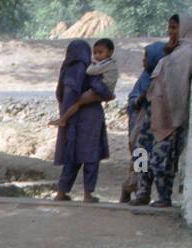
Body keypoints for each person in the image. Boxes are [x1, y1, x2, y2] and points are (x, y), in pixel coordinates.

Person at [49, 38, 115, 202]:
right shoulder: (88, 69)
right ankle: (88, 194)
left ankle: (62, 192)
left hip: (71, 118)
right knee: (90, 156)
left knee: (72, 156)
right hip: (90, 118)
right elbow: (102, 90)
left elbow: (59, 95)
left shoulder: (66, 71)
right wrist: (106, 96)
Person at [146, 13, 192, 208]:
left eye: (174, 27)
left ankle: (164, 197)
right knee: (146, 157)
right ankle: (143, 193)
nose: (170, 31)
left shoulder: (186, 52)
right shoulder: (173, 52)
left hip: (174, 115)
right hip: (158, 114)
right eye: (170, 27)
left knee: (166, 159)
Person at [124, 39, 168, 204]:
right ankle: (141, 193)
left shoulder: (163, 77)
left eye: (146, 57)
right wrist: (140, 99)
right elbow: (133, 99)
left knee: (158, 161)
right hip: (142, 128)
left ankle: (162, 196)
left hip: (160, 127)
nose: (143, 61)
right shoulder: (144, 78)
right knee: (140, 158)